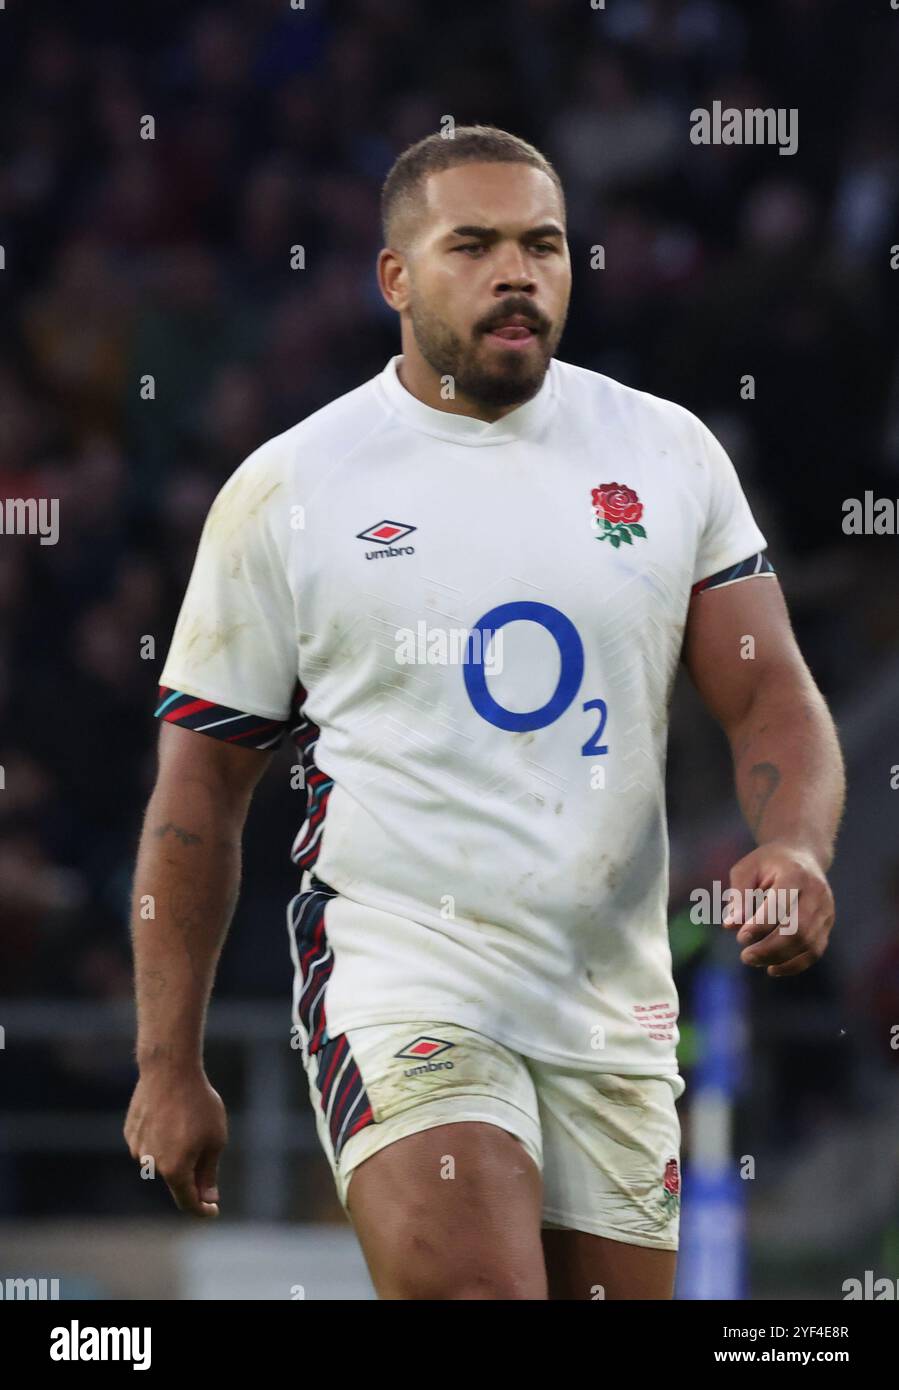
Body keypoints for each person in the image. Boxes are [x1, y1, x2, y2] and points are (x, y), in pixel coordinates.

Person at [124, 126, 845, 1300]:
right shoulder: (291, 487)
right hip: (403, 973)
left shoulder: (666, 453)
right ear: (394, 277)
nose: (517, 272)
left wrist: (795, 846)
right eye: (473, 246)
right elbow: (199, 788)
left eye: (541, 245)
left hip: (609, 1003)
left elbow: (768, 691)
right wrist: (168, 1062)